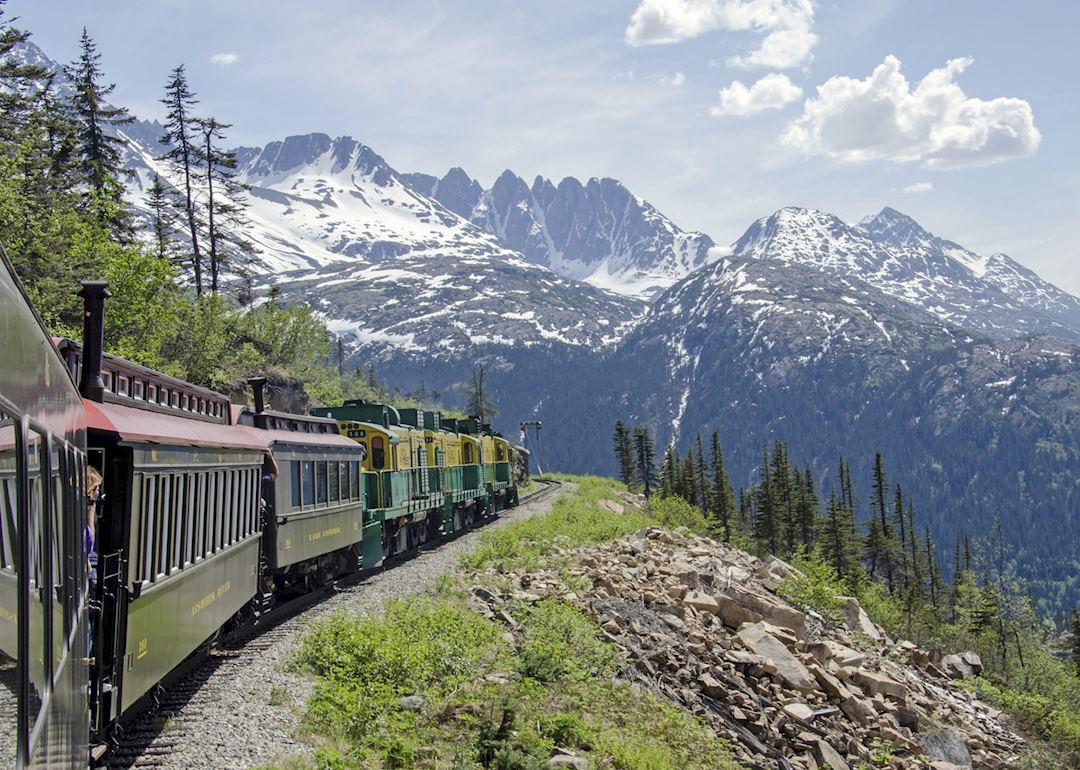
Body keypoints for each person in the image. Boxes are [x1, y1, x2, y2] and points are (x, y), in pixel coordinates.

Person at [85, 466, 103, 657]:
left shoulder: (88, 510)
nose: (98, 492)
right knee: (89, 617)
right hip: (87, 568)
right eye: (96, 488)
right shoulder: (82, 513)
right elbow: (87, 539)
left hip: (89, 565)